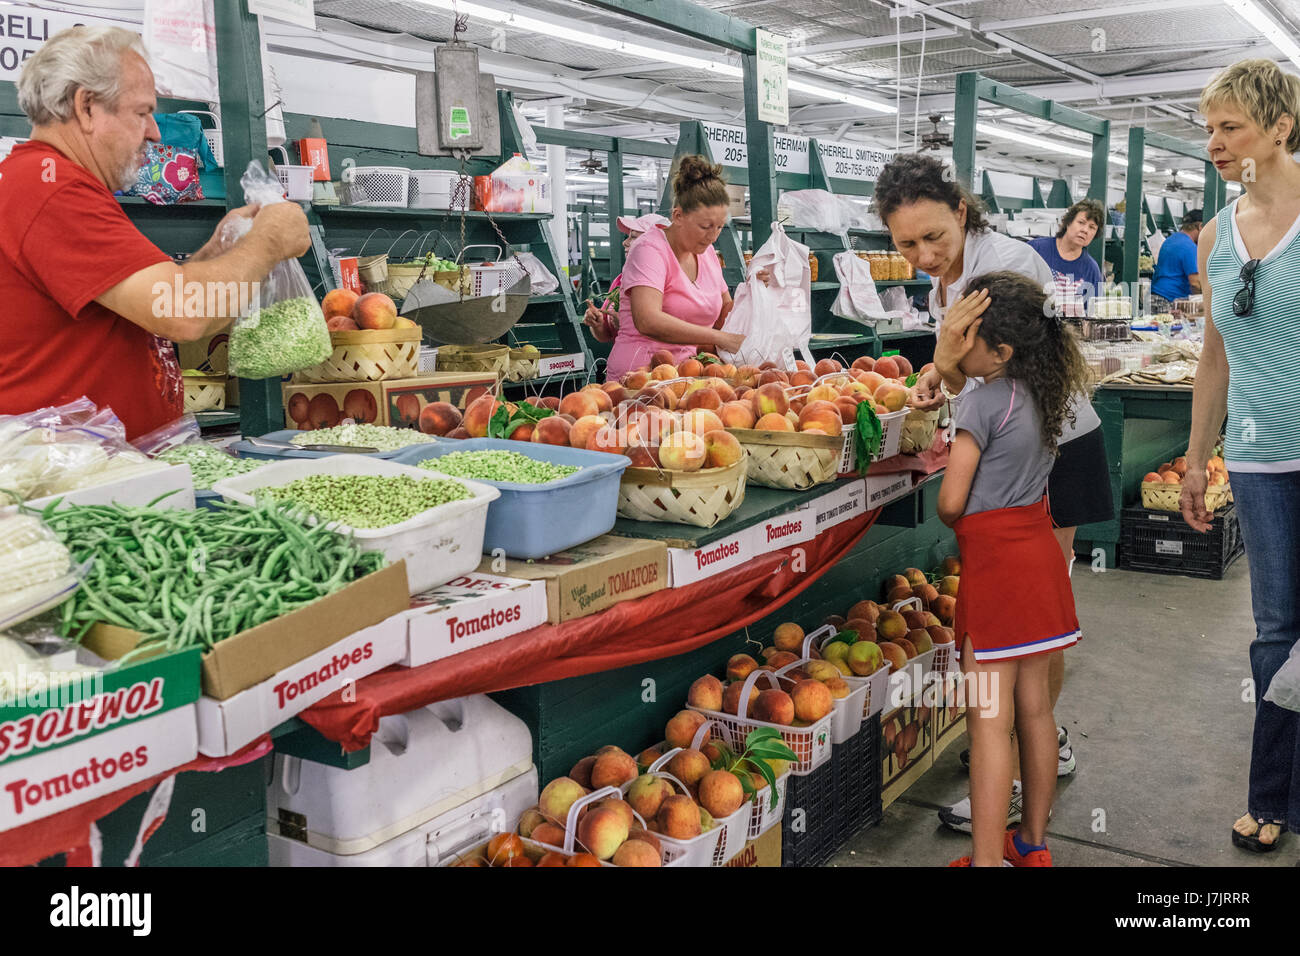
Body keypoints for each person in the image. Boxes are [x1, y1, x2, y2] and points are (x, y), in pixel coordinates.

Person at [873, 152, 1111, 833]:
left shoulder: (1001, 268)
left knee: (1032, 629)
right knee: (1019, 624)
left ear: (961, 212)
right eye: (905, 244)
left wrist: (944, 372)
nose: (923, 253)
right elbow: (973, 384)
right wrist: (940, 376)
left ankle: (1019, 763)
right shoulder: (952, 284)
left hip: (1055, 456)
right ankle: (1020, 747)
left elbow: (1012, 383)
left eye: (933, 237)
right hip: (1017, 457)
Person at [0, 26, 311, 440]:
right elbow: (181, 313)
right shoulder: (52, 190)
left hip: (100, 470)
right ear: (87, 106)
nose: (155, 132)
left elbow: (150, 301)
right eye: (142, 112)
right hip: (71, 483)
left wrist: (218, 250)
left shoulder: (51, 182)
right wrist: (268, 242)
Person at [1182, 58, 1300, 854]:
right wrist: (1197, 461)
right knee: (1276, 629)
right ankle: (1271, 794)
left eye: (1233, 127)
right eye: (1210, 129)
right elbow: (1214, 359)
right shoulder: (1213, 234)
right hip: (1259, 462)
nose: (1216, 143)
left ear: (1281, 127)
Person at [936, 272, 1088, 867]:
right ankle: (1031, 845)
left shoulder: (979, 402)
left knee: (987, 723)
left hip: (995, 572)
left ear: (1000, 351)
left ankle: (985, 861)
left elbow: (951, 502)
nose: (955, 345)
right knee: (1036, 712)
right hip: (1041, 561)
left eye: (965, 337)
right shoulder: (1046, 395)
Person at [604, 156, 745, 379]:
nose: (712, 236)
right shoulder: (649, 249)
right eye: (705, 226)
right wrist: (719, 338)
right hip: (640, 377)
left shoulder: (707, 253)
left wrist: (756, 289)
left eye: (719, 227)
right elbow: (648, 320)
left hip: (689, 374)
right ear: (678, 216)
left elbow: (723, 314)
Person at [582, 213, 671, 343]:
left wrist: (627, 328)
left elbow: (672, 336)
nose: (625, 242)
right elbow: (605, 336)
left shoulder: (669, 282)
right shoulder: (620, 281)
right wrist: (598, 324)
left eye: (633, 237)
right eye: (627, 237)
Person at [1028, 198, 1106, 316]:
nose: (1085, 230)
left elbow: (1093, 315)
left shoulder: (1092, 269)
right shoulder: (1036, 249)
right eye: (1081, 222)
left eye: (1092, 227)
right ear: (1068, 223)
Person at [1150, 209, 1203, 313]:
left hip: (1155, 297)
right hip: (1169, 300)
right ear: (1200, 226)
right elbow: (1195, 283)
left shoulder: (1170, 240)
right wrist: (1202, 303)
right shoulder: (1189, 246)